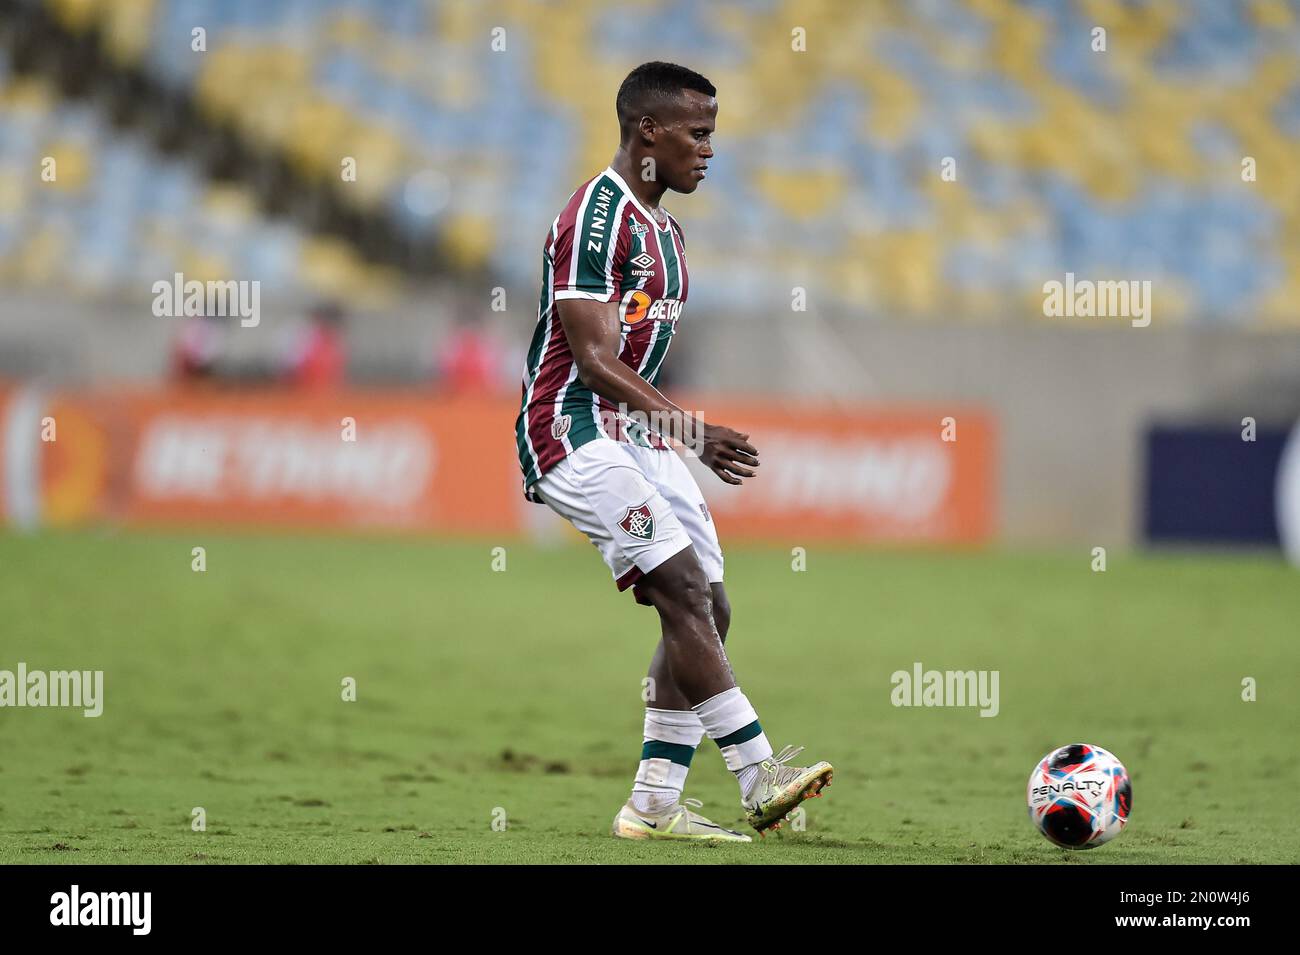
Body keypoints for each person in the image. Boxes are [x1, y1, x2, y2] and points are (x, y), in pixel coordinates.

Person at [513, 62, 832, 843]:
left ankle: (653, 804)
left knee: (709, 606)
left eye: (713, 133)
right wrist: (694, 431)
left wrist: (672, 432)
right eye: (698, 132)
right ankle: (763, 777)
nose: (709, 150)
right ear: (647, 132)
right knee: (683, 587)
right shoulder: (596, 216)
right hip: (573, 426)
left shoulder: (667, 231)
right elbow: (592, 361)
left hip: (636, 434)